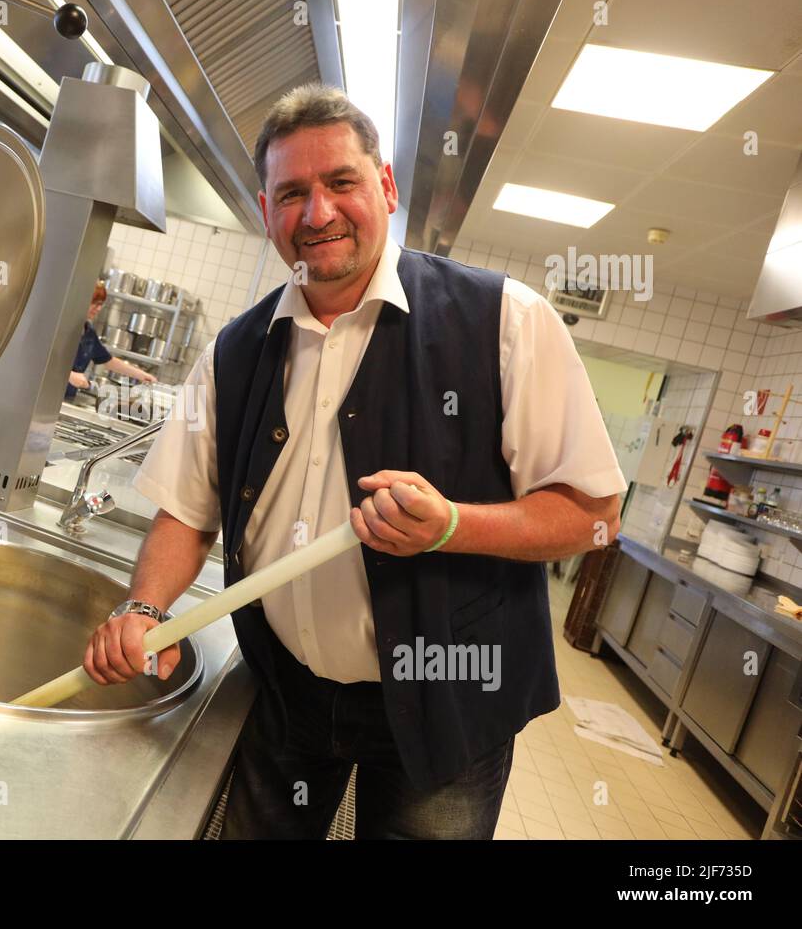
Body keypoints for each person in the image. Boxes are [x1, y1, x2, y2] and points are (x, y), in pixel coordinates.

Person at [80, 84, 627, 839]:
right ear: (268, 211)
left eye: (341, 182)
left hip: (447, 708)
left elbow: (594, 518)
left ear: (388, 186)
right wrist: (145, 607)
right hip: (286, 696)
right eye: (292, 193)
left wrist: (451, 526)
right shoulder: (235, 352)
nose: (318, 213)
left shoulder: (506, 322)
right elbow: (185, 509)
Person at [66, 282, 157, 399]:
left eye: (101, 305)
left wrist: (141, 375)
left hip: (67, 397)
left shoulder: (89, 332)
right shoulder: (63, 328)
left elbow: (108, 361)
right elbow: (41, 359)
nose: (98, 308)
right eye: (95, 303)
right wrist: (69, 375)